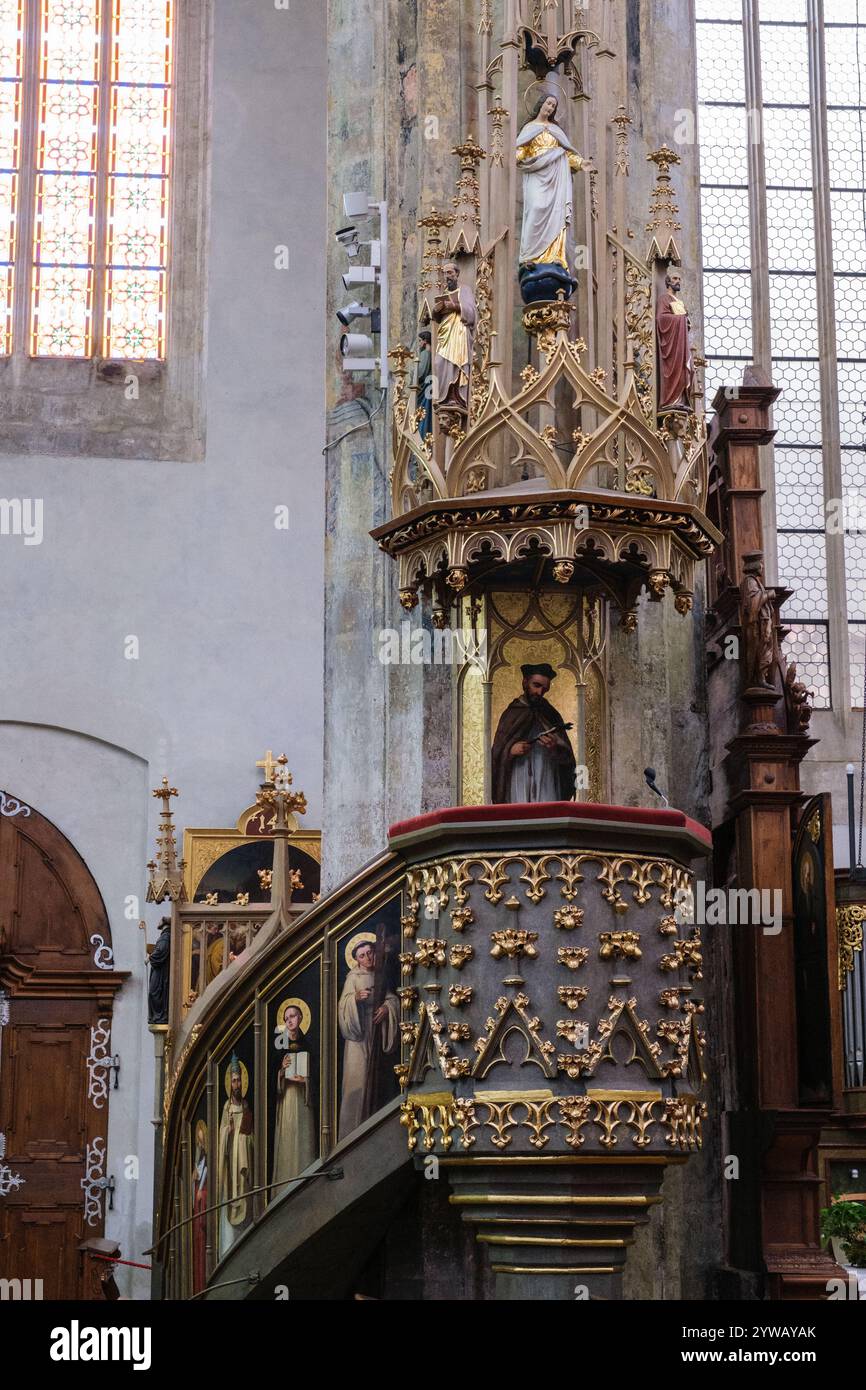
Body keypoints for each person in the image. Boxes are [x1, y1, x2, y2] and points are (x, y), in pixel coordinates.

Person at [516, 92, 586, 273]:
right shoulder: (529, 128)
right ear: (541, 104)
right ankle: (530, 257)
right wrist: (514, 155)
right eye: (548, 104)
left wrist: (580, 163)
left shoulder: (556, 131)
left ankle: (555, 256)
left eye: (553, 106)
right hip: (536, 173)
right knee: (536, 208)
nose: (550, 108)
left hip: (556, 177)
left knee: (556, 215)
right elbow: (521, 150)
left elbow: (568, 154)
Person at [338, 936, 399, 1138]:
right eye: (362, 955)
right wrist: (355, 999)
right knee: (357, 1082)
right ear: (357, 960)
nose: (368, 957)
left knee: (376, 1080)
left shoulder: (380, 975)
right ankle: (352, 1133)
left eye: (370, 952)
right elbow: (343, 1007)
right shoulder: (353, 978)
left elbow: (392, 999)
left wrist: (386, 1008)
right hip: (358, 1037)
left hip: (376, 1032)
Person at [491, 662, 576, 804]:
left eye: (545, 689)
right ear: (525, 682)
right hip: (518, 778)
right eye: (536, 685)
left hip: (546, 777)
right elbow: (496, 754)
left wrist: (555, 747)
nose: (540, 692)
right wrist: (510, 751)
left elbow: (568, 758)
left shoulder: (550, 713)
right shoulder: (512, 713)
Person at [271, 1003, 316, 1191]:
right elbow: (272, 1076)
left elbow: (316, 1076)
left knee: (303, 1137)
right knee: (288, 1136)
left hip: (302, 1099)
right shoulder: (279, 1046)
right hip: (287, 1098)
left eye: (294, 1016)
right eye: (287, 1018)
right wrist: (281, 1070)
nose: (290, 1020)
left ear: (300, 1019)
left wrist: (305, 1080)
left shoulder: (308, 1045)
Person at [217, 1055, 254, 1254]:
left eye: (239, 1080)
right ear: (229, 1084)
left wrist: (245, 1139)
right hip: (230, 1162)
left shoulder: (246, 1107)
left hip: (243, 1162)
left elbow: (252, 1137)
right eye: (233, 1080)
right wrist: (228, 1133)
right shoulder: (226, 1107)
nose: (237, 1084)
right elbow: (221, 1134)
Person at [431, 262, 476, 413]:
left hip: (459, 333)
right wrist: (436, 311)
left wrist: (455, 307)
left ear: (457, 274)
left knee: (456, 364)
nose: (447, 276)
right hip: (445, 334)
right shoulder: (443, 293)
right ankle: (443, 397)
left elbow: (471, 313)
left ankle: (456, 397)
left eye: (450, 273)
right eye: (444, 273)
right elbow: (437, 318)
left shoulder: (464, 290)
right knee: (439, 362)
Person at [656, 268, 694, 412]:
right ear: (668, 281)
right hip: (671, 344)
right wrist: (681, 320)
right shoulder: (664, 299)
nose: (678, 281)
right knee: (673, 369)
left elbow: (685, 321)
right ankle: (671, 400)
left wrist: (686, 321)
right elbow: (661, 319)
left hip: (681, 343)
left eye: (679, 279)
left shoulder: (680, 302)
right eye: (675, 279)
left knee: (685, 369)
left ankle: (681, 399)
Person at [191, 1119, 208, 1293]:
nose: (200, 1144)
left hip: (203, 1196)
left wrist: (200, 1188)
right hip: (198, 1195)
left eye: (202, 1141)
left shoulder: (207, 1157)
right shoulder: (199, 1156)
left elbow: (207, 1171)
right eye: (199, 1141)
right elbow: (196, 1173)